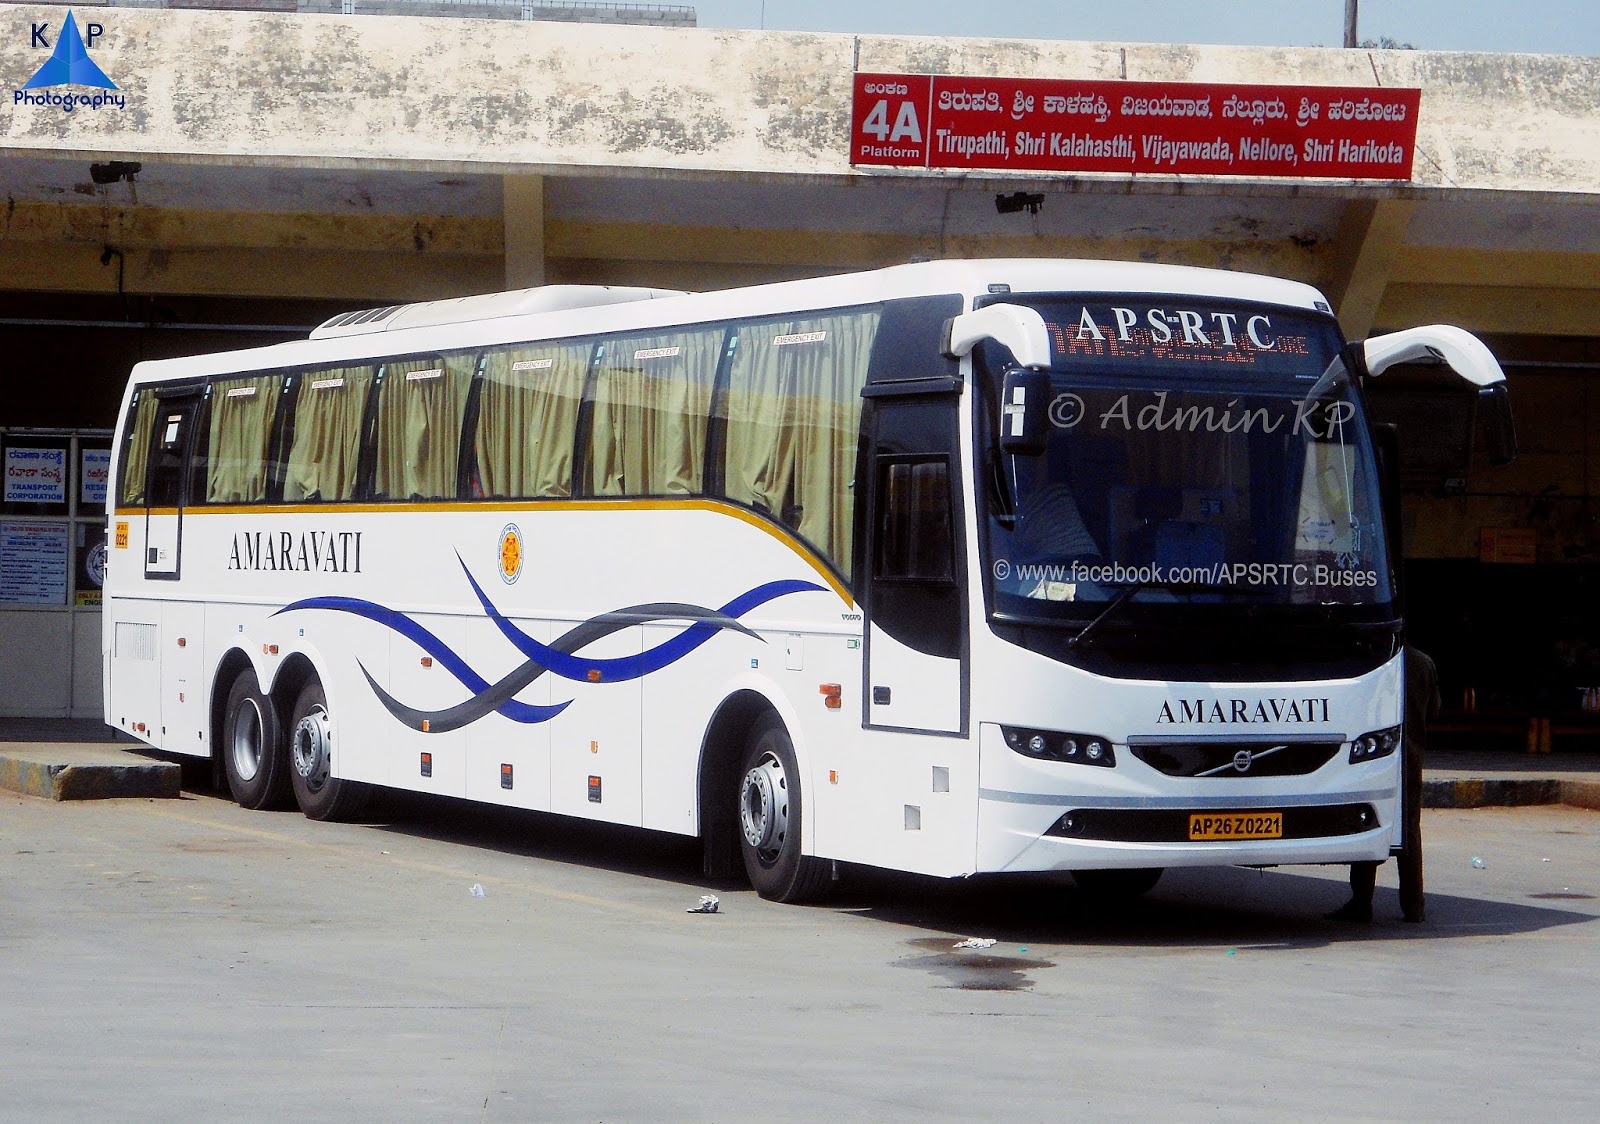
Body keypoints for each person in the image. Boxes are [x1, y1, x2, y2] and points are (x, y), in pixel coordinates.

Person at [1328, 646, 1440, 923]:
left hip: (1376, 754)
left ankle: (1362, 901)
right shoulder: (1423, 663)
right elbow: (1434, 710)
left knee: (1369, 822)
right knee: (1409, 830)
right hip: (1410, 758)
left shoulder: (1373, 661)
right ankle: (1414, 906)